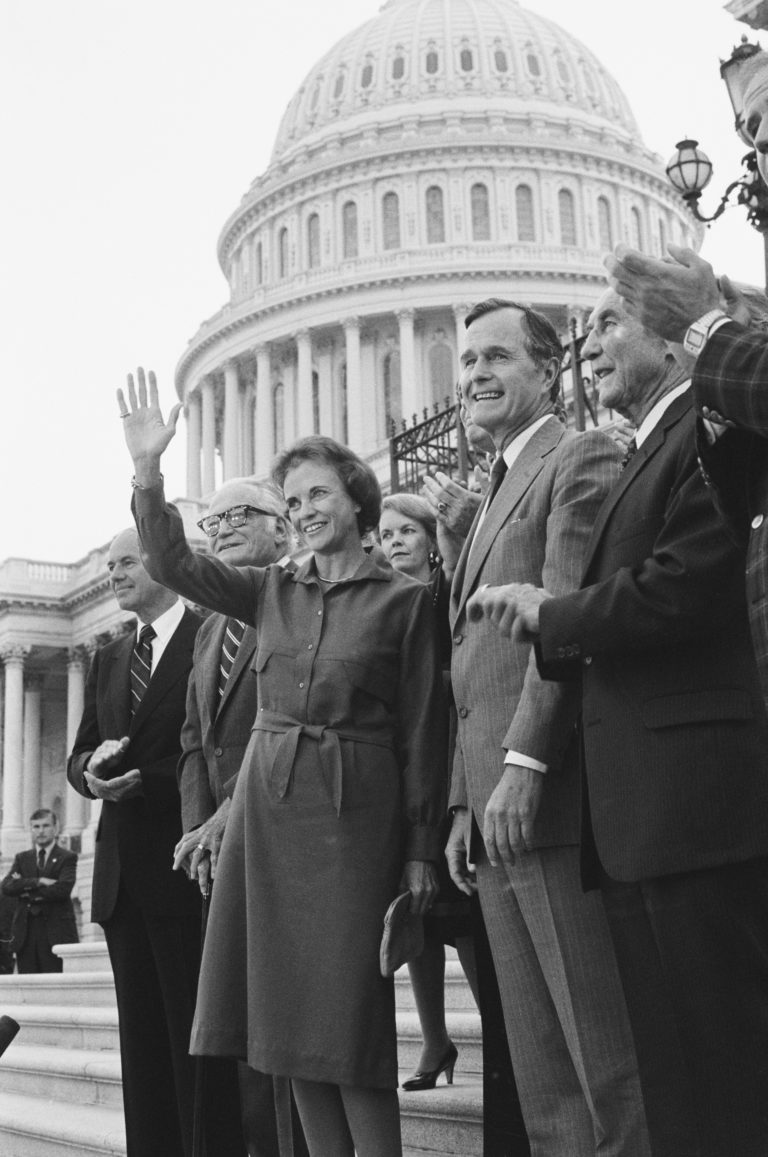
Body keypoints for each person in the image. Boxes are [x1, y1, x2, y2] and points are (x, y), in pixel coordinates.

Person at [467, 288, 768, 1157]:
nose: (586, 343)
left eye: (608, 323)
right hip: (642, 813)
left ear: (677, 343)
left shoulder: (707, 430)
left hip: (698, 806)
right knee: (678, 1079)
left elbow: (688, 582)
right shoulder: (648, 445)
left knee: (723, 1075)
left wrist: (554, 617)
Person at [118, 368, 446, 1157]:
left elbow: (425, 732)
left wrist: (420, 853)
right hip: (271, 818)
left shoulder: (405, 601)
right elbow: (174, 565)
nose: (303, 511)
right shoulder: (271, 590)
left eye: (317, 494)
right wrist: (148, 473)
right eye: (292, 500)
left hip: (353, 818)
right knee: (286, 1022)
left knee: (348, 1024)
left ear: (358, 500)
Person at [444, 298, 648, 1155]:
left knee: (600, 1051)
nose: (476, 375)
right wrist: (463, 798)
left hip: (550, 797)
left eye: (497, 357)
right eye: (466, 363)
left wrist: (524, 761)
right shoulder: (486, 495)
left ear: (547, 369)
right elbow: (466, 670)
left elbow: (561, 621)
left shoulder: (580, 455)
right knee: (540, 1067)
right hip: (490, 807)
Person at [67, 527, 244, 1157]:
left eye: (124, 562)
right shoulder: (108, 657)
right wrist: (90, 771)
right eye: (108, 564)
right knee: (140, 1048)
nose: (112, 574)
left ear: (161, 564)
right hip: (121, 882)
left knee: (193, 1041)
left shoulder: (212, 634)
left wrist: (150, 777)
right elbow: (80, 750)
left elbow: (216, 746)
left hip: (185, 862)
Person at [172, 477, 308, 1157]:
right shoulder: (208, 628)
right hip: (219, 853)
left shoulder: (298, 598)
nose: (220, 526)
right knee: (240, 1028)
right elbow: (195, 738)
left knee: (289, 1026)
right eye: (213, 519)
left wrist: (231, 812)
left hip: (284, 831)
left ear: (282, 528)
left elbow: (287, 719)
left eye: (238, 515)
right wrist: (200, 829)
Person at [379, 493, 479, 1091]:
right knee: (414, 917)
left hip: (448, 764)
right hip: (400, 775)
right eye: (385, 533)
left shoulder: (445, 594)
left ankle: (495, 1025)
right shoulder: (384, 603)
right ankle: (435, 1041)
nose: (393, 542)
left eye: (406, 531)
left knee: (460, 914)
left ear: (431, 537)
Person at [1, 808, 78, 973]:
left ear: (56, 828)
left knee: (56, 990)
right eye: (36, 826)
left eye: (45, 825)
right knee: (28, 990)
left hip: (55, 934)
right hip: (26, 936)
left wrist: (24, 890)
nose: (40, 831)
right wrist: (38, 882)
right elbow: (7, 886)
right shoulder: (22, 858)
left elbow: (62, 889)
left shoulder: (67, 857)